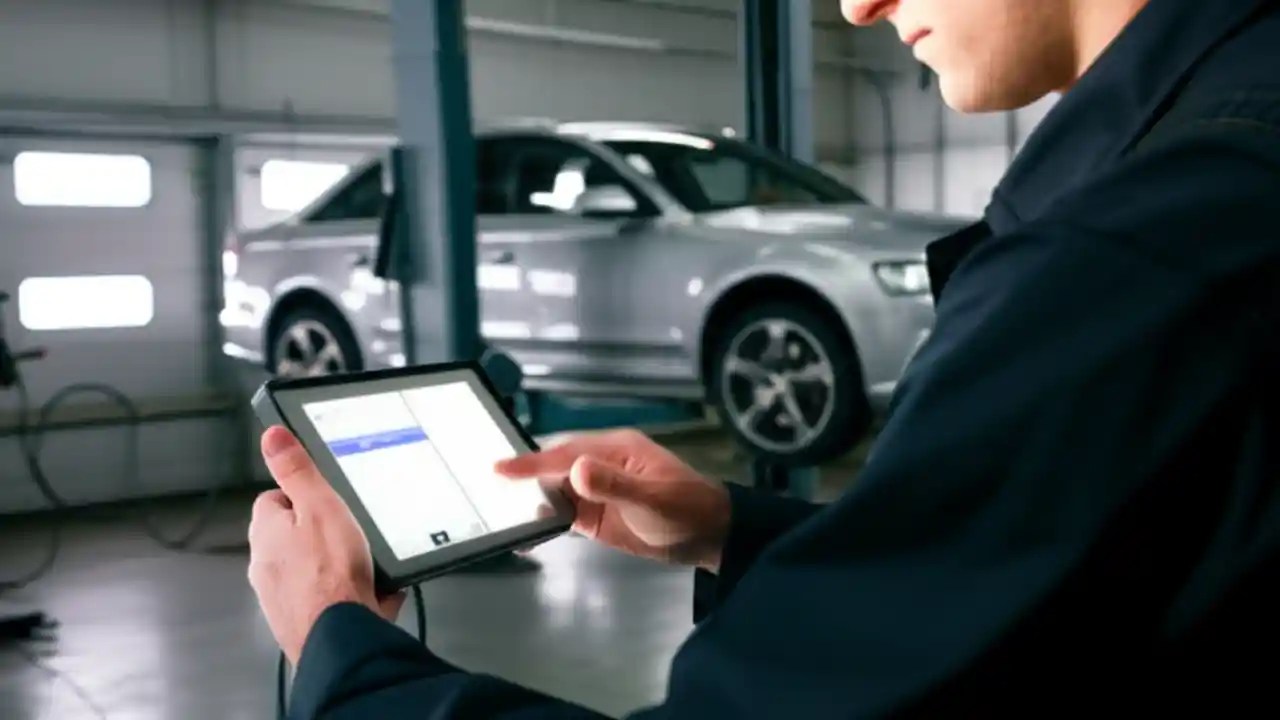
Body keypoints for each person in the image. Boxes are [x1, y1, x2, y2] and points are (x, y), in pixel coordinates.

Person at [247, 0, 1280, 716]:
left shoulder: (1134, 243)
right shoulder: (1220, 140)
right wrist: (731, 526)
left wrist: (341, 646)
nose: (855, 9)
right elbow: (1096, 560)